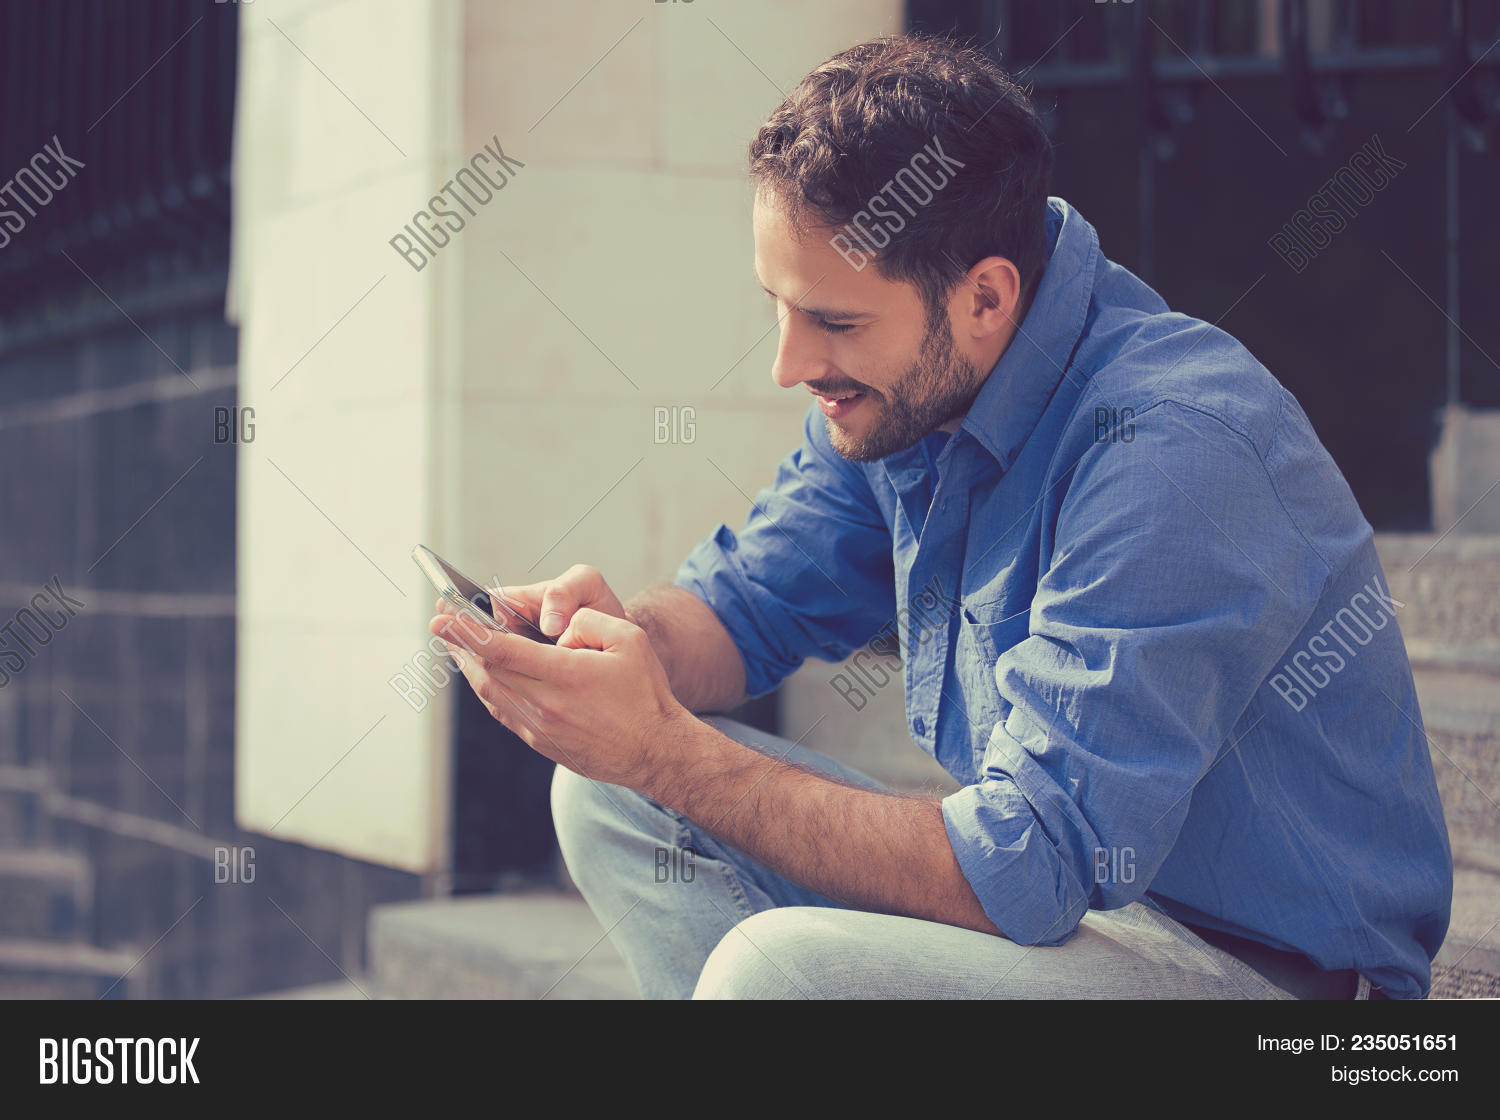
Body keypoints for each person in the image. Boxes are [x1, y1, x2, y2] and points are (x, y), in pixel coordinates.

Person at [432, 34, 1451, 1000]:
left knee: (778, 972)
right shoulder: (909, 396)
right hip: (1079, 928)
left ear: (987, 299)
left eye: (834, 321)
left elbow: (1034, 863)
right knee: (611, 798)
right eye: (779, 307)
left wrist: (663, 746)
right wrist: (619, 647)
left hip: (1277, 986)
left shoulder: (1174, 452)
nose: (790, 365)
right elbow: (741, 609)